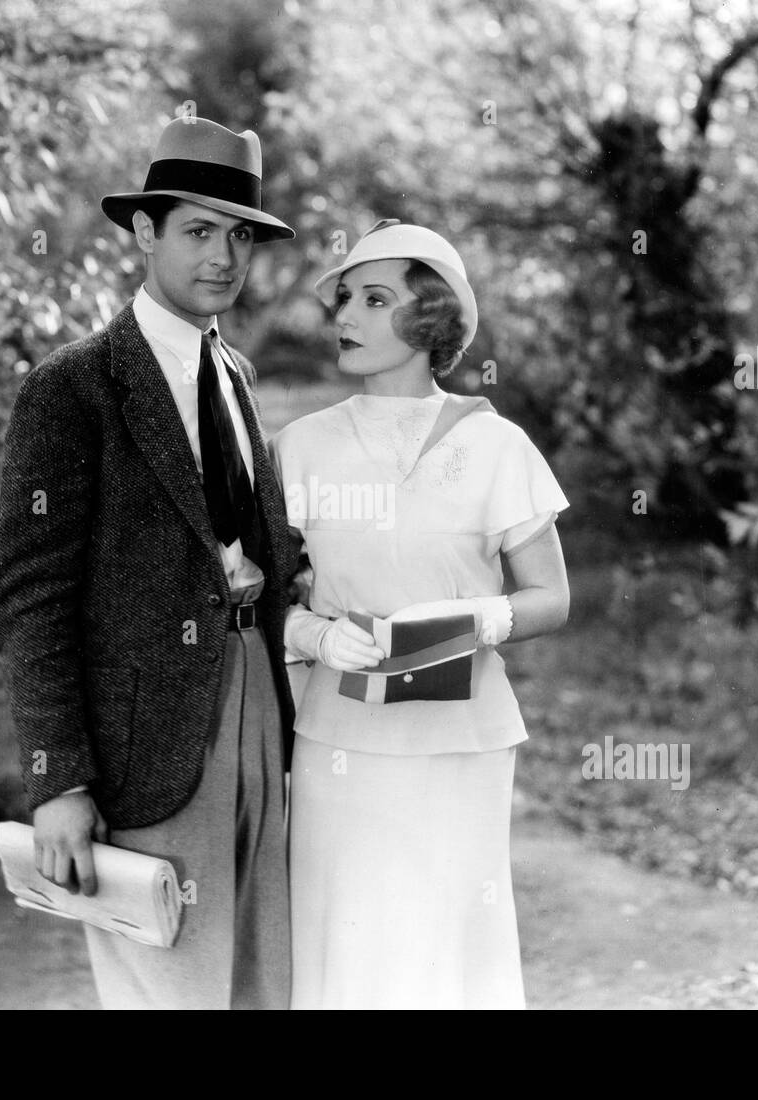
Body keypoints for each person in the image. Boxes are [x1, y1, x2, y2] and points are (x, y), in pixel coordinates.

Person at [0, 116, 300, 1009]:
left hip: (256, 708)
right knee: (172, 984)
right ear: (145, 232)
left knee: (259, 980)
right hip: (145, 739)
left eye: (240, 234)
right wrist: (59, 781)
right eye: (199, 230)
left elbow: (260, 550)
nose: (224, 256)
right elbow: (29, 598)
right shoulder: (73, 387)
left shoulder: (233, 376)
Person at [271, 220, 571, 1009]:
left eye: (376, 300)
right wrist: (312, 635)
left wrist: (479, 621)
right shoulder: (301, 447)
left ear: (431, 319)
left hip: (460, 740)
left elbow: (551, 595)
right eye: (345, 300)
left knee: (446, 943)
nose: (347, 317)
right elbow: (252, 595)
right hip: (342, 740)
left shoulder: (497, 445)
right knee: (349, 938)